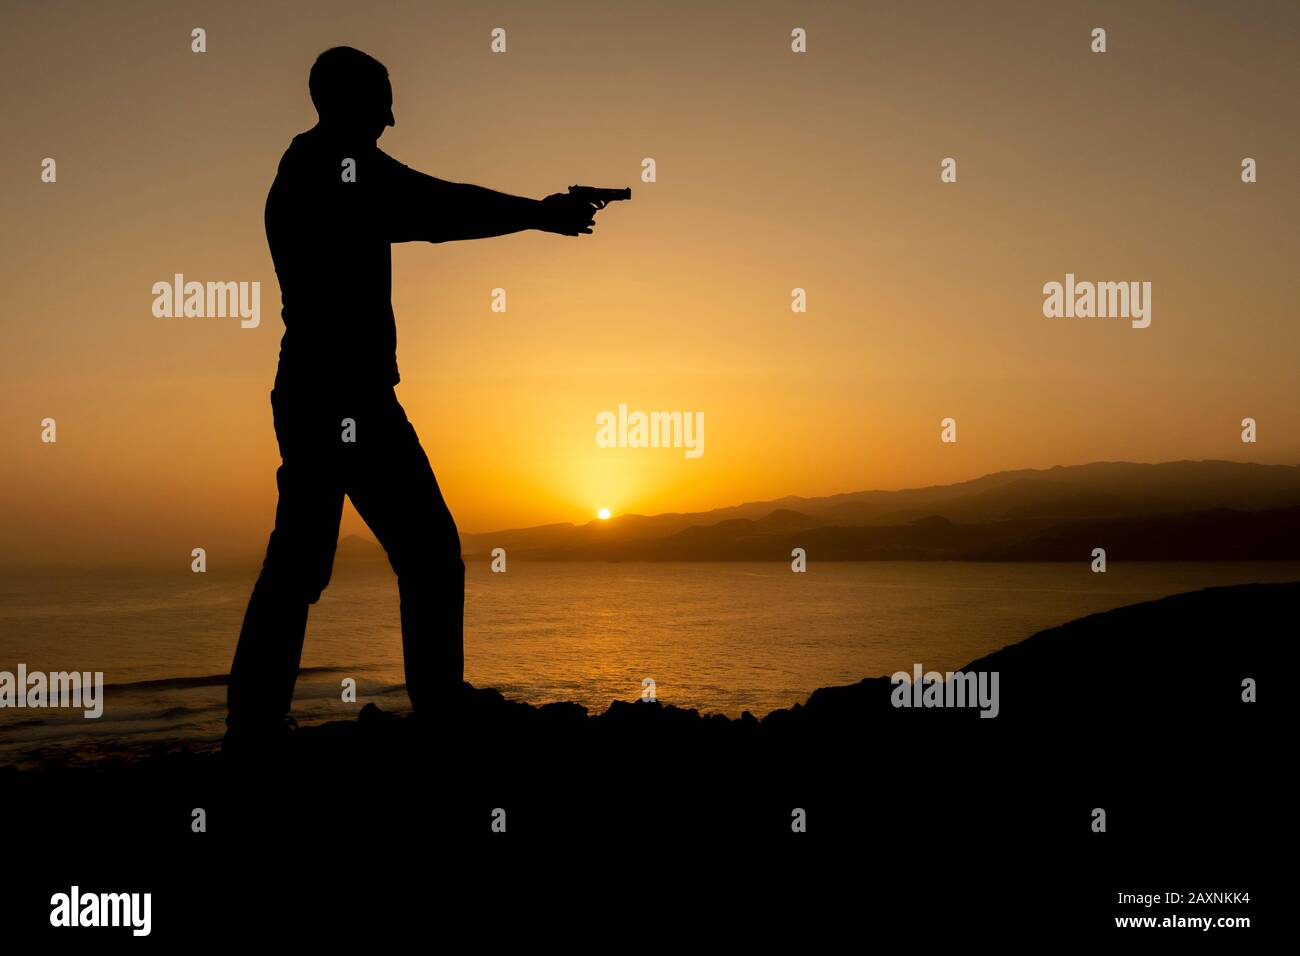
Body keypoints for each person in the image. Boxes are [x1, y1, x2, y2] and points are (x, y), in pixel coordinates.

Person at [224, 46, 600, 749]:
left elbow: (429, 204)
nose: (393, 119)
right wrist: (538, 216)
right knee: (419, 554)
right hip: (344, 398)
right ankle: (433, 711)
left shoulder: (313, 167)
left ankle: (256, 726)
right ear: (345, 101)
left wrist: (533, 216)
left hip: (323, 390)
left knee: (307, 562)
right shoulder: (335, 168)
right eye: (382, 102)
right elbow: (438, 205)